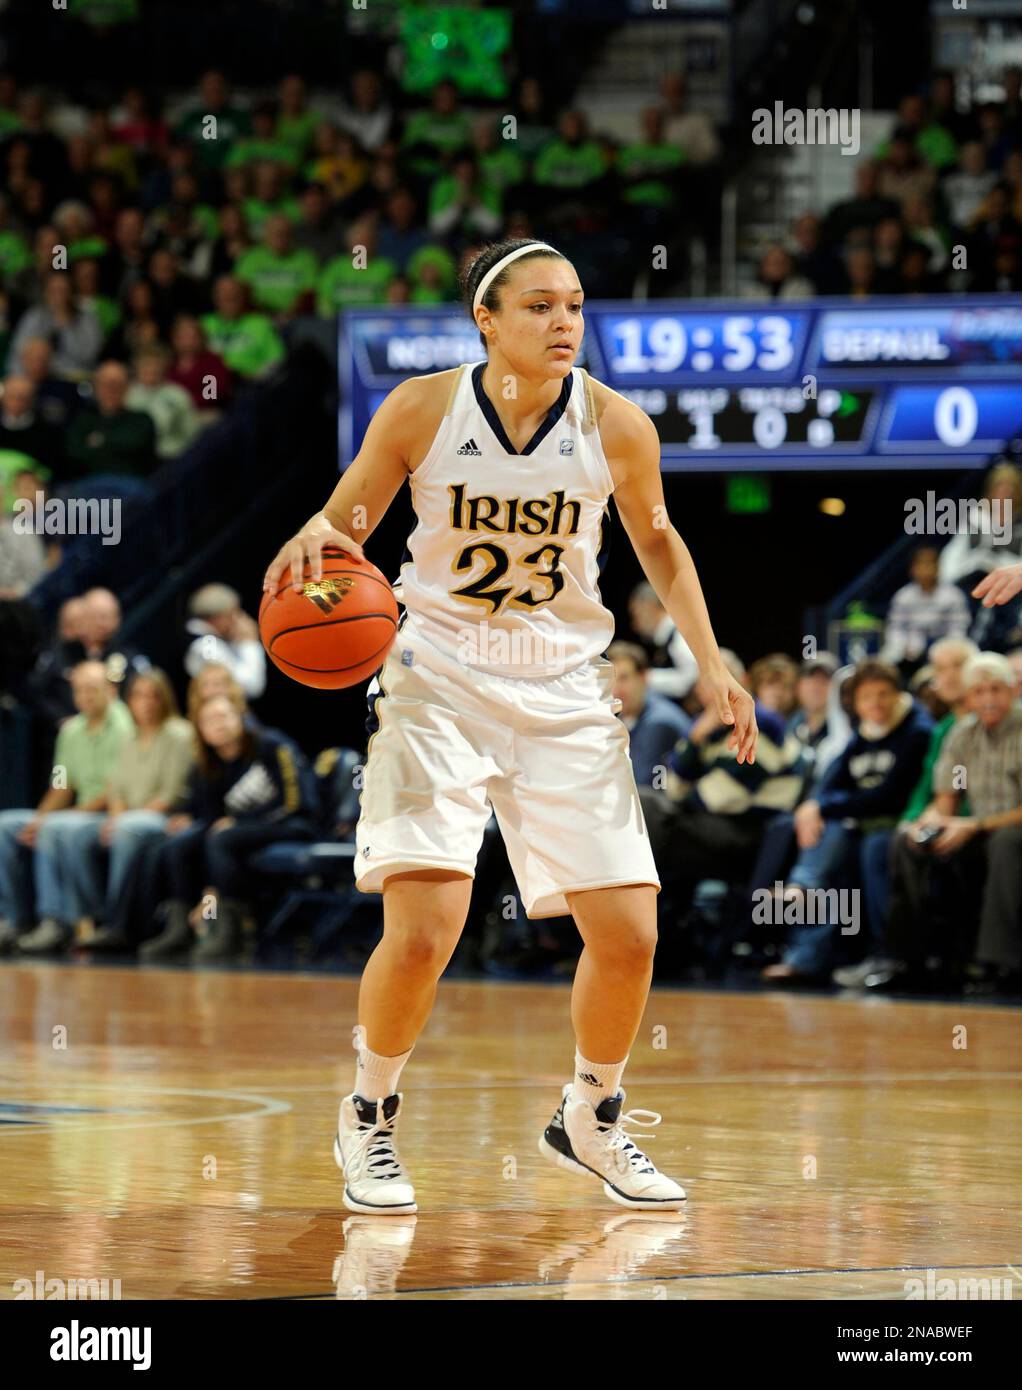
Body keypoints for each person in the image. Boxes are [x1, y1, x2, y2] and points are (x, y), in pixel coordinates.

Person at [262, 237, 758, 1216]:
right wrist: (322, 534)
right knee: (424, 930)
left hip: (566, 690)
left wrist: (711, 658)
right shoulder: (421, 407)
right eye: (537, 306)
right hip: (437, 679)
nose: (563, 321)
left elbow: (657, 538)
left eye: (573, 304)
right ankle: (367, 1114)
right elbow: (347, 521)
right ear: (484, 319)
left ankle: (590, 1113)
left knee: (627, 933)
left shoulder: (615, 424)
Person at [608, 640, 690, 790]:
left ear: (644, 678)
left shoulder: (659, 723)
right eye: (612, 681)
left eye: (624, 678)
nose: (617, 689)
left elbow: (646, 786)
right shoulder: (627, 716)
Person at [881, 545, 971, 675]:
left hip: (944, 648)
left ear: (938, 567)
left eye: (930, 564)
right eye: (921, 565)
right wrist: (904, 646)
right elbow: (895, 628)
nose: (926, 570)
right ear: (912, 569)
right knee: (887, 658)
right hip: (910, 651)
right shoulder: (903, 596)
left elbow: (958, 629)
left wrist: (944, 651)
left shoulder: (953, 595)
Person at [183, 583, 266, 699]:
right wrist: (250, 643)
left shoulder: (207, 641)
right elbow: (252, 686)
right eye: (233, 614)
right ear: (219, 618)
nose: (239, 620)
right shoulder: (206, 646)